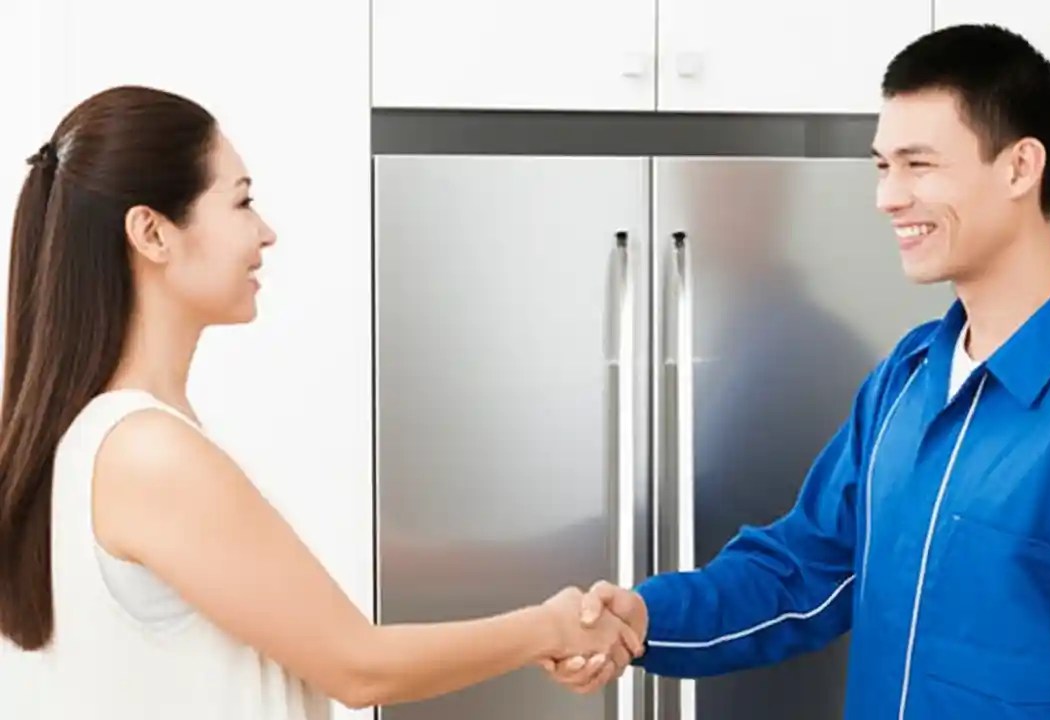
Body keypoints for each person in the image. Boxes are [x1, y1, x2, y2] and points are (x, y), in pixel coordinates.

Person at [544, 23, 1050, 719]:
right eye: (884, 166)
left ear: (1020, 166)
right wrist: (642, 617)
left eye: (919, 165)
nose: (887, 196)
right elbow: (806, 571)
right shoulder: (908, 378)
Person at [0, 85, 640, 719]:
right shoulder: (145, 449)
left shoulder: (118, 438)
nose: (267, 232)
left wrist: (526, 567)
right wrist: (548, 629)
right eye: (242, 202)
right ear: (153, 233)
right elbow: (359, 667)